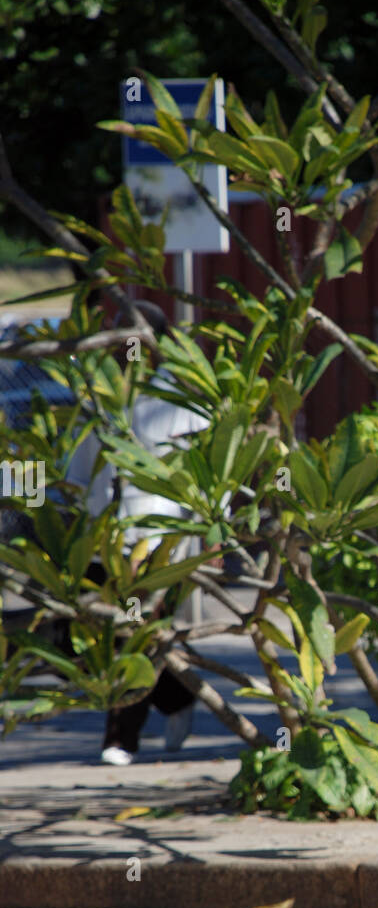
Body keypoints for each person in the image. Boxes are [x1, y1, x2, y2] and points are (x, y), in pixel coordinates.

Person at [65, 300, 206, 764]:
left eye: (130, 334)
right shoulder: (97, 398)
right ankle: (177, 699)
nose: (121, 344)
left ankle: (120, 737)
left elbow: (208, 469)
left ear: (155, 341)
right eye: (115, 333)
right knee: (98, 638)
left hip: (161, 539)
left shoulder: (182, 396)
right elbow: (81, 469)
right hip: (103, 535)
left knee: (138, 635)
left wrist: (212, 536)